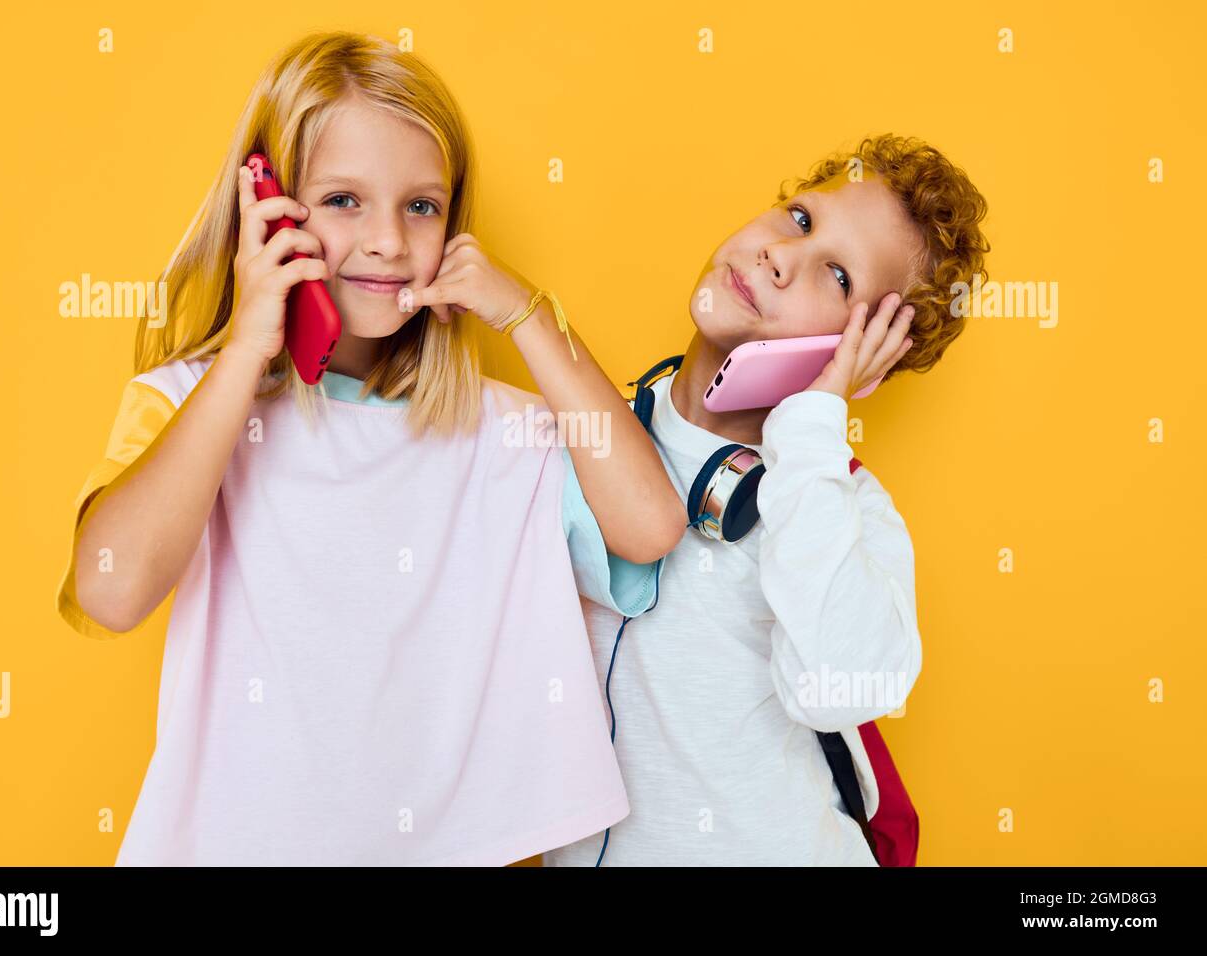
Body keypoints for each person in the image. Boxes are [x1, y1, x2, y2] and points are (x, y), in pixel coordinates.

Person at [54, 31, 685, 866]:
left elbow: (650, 526)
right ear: (267, 205)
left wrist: (524, 312)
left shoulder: (506, 431)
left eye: (421, 206)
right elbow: (111, 591)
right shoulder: (189, 409)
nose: (388, 239)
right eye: (345, 200)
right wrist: (246, 348)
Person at [544, 134, 990, 866]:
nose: (782, 256)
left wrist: (815, 426)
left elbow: (837, 685)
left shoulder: (842, 510)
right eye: (802, 219)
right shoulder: (594, 430)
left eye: (838, 277)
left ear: (863, 358)